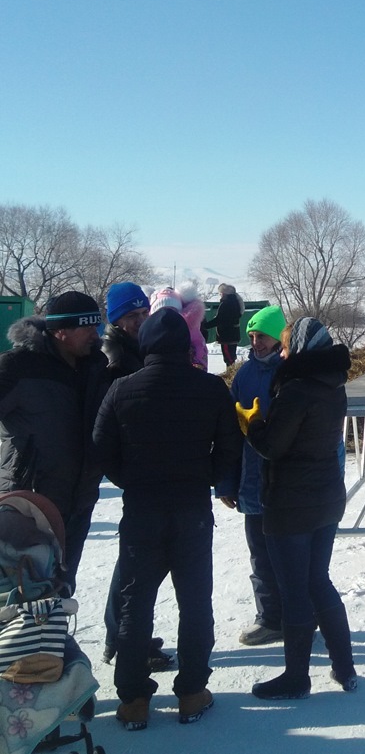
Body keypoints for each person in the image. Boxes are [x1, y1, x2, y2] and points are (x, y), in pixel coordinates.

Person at [93, 308, 242, 731]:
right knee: (195, 604)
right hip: (192, 511)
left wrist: (132, 480)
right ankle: (192, 692)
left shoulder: (122, 389)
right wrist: (205, 477)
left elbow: (101, 449)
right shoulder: (211, 388)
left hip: (142, 512)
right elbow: (230, 448)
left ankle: (134, 699)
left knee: (134, 606)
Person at [242, 316, 356, 700]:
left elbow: (274, 446)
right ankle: (345, 667)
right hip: (325, 499)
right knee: (318, 581)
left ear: (303, 348)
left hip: (291, 504)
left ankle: (296, 676)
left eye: (287, 347)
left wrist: (253, 424)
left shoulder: (296, 390)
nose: (283, 353)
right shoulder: (333, 384)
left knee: (294, 592)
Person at [0, 291, 108, 589]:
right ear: (60, 332)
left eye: (96, 326)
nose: (94, 334)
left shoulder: (96, 365)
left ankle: (56, 636)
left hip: (79, 499)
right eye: (86, 328)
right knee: (23, 592)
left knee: (62, 586)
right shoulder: (18, 366)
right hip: (29, 503)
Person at [101, 282, 175, 672]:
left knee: (139, 563)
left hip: (144, 470)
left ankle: (126, 633)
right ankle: (123, 636)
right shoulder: (116, 358)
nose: (140, 321)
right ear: (117, 320)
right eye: (132, 317)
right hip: (140, 470)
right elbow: (109, 425)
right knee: (135, 565)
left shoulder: (134, 348)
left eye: (143, 314)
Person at [216, 304, 288, 647]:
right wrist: (227, 483)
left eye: (262, 336)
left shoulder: (290, 373)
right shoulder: (244, 375)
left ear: (278, 337)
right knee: (260, 556)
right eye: (253, 336)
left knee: (290, 554)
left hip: (286, 481)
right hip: (251, 481)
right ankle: (269, 618)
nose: (256, 342)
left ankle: (298, 613)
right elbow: (229, 434)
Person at [202, 283, 244, 367]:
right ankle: (232, 373)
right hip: (233, 335)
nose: (220, 296)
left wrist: (205, 326)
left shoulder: (226, 304)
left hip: (227, 336)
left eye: (220, 293)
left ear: (224, 294)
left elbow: (219, 319)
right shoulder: (235, 302)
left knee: (228, 358)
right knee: (231, 356)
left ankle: (231, 375)